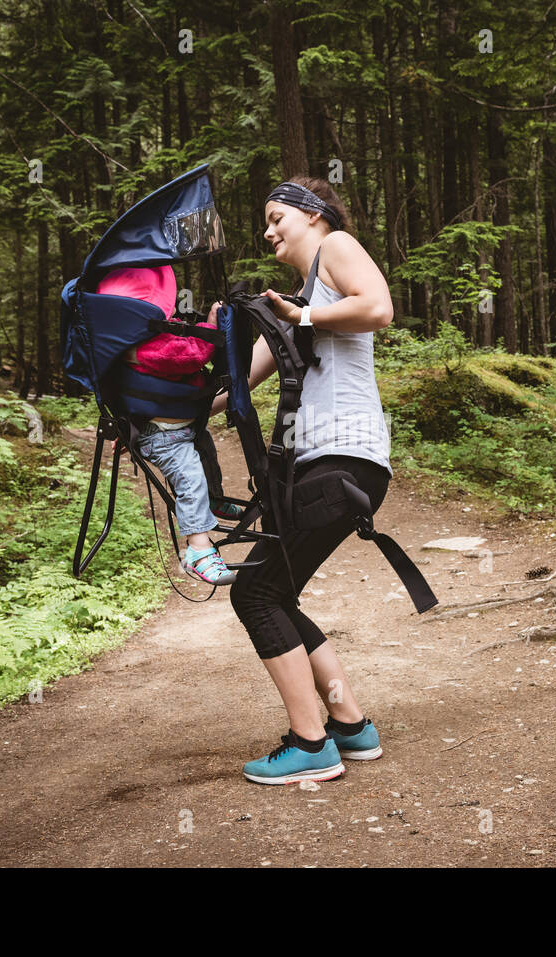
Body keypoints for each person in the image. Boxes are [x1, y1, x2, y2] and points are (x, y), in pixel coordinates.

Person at [207, 177, 395, 785]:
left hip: (346, 458)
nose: (268, 232)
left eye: (276, 217)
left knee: (255, 593)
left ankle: (311, 743)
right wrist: (146, 407)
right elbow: (229, 392)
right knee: (274, 592)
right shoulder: (296, 303)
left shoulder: (335, 247)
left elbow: (379, 306)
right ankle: (349, 724)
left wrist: (304, 311)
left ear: (313, 215)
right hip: (322, 465)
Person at [99, 265, 239, 585]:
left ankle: (213, 500)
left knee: (206, 457)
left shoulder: (142, 336)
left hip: (179, 428)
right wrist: (210, 327)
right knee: (190, 480)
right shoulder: (141, 346)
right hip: (164, 437)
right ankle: (198, 550)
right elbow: (189, 354)